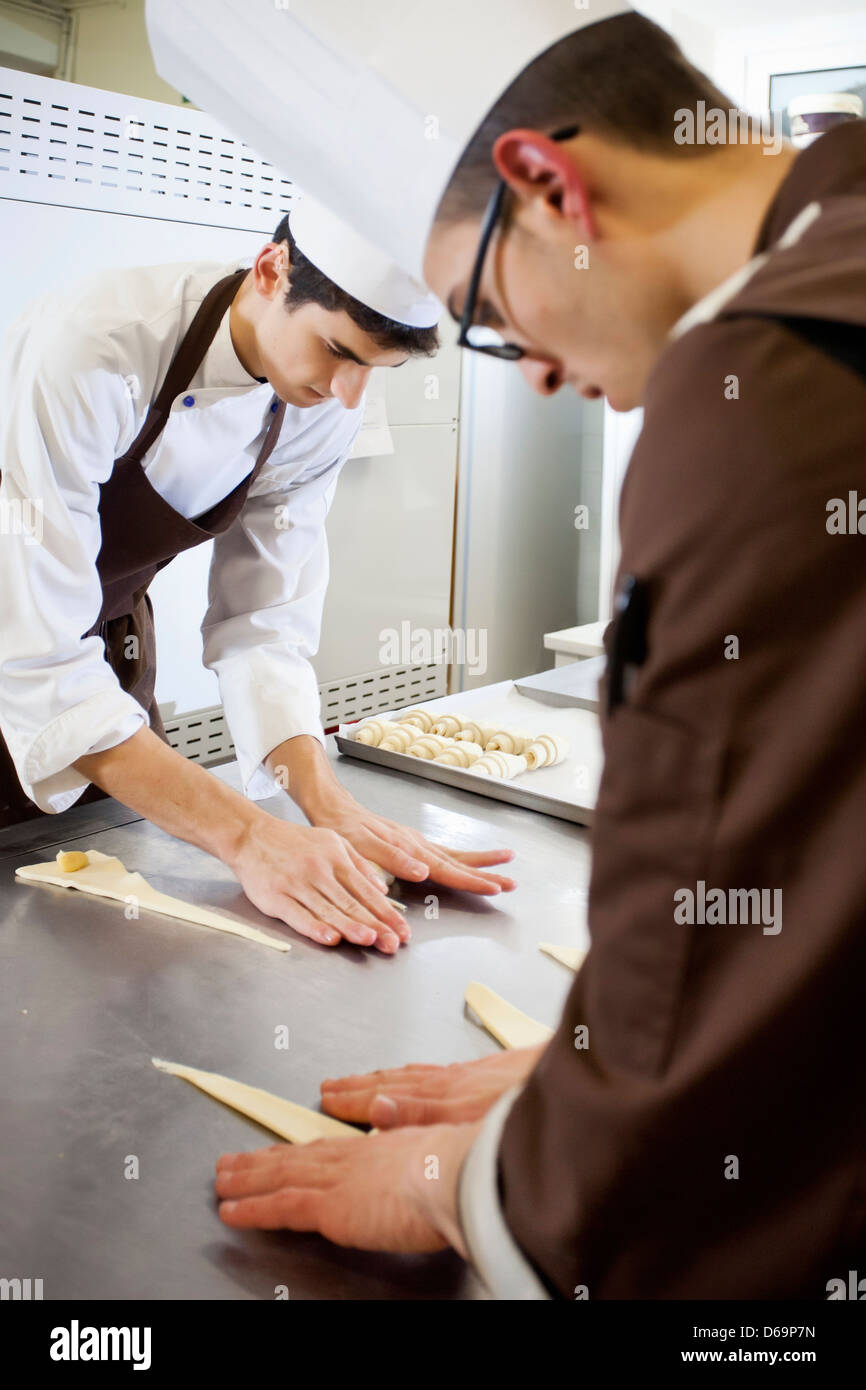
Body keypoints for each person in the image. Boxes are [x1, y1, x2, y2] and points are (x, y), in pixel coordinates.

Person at [149, 2, 866, 1295]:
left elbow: (732, 920)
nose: (531, 370)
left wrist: (489, 1179)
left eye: (486, 313)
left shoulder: (758, 392)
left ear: (544, 182)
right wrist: (607, 1054)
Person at [0, 193, 515, 954]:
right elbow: (37, 657)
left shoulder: (321, 408)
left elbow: (262, 627)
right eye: (339, 352)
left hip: (106, 638)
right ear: (271, 271)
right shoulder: (97, 347)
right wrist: (246, 839)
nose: (349, 396)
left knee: (83, 910)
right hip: (18, 624)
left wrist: (325, 803)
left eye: (378, 370)